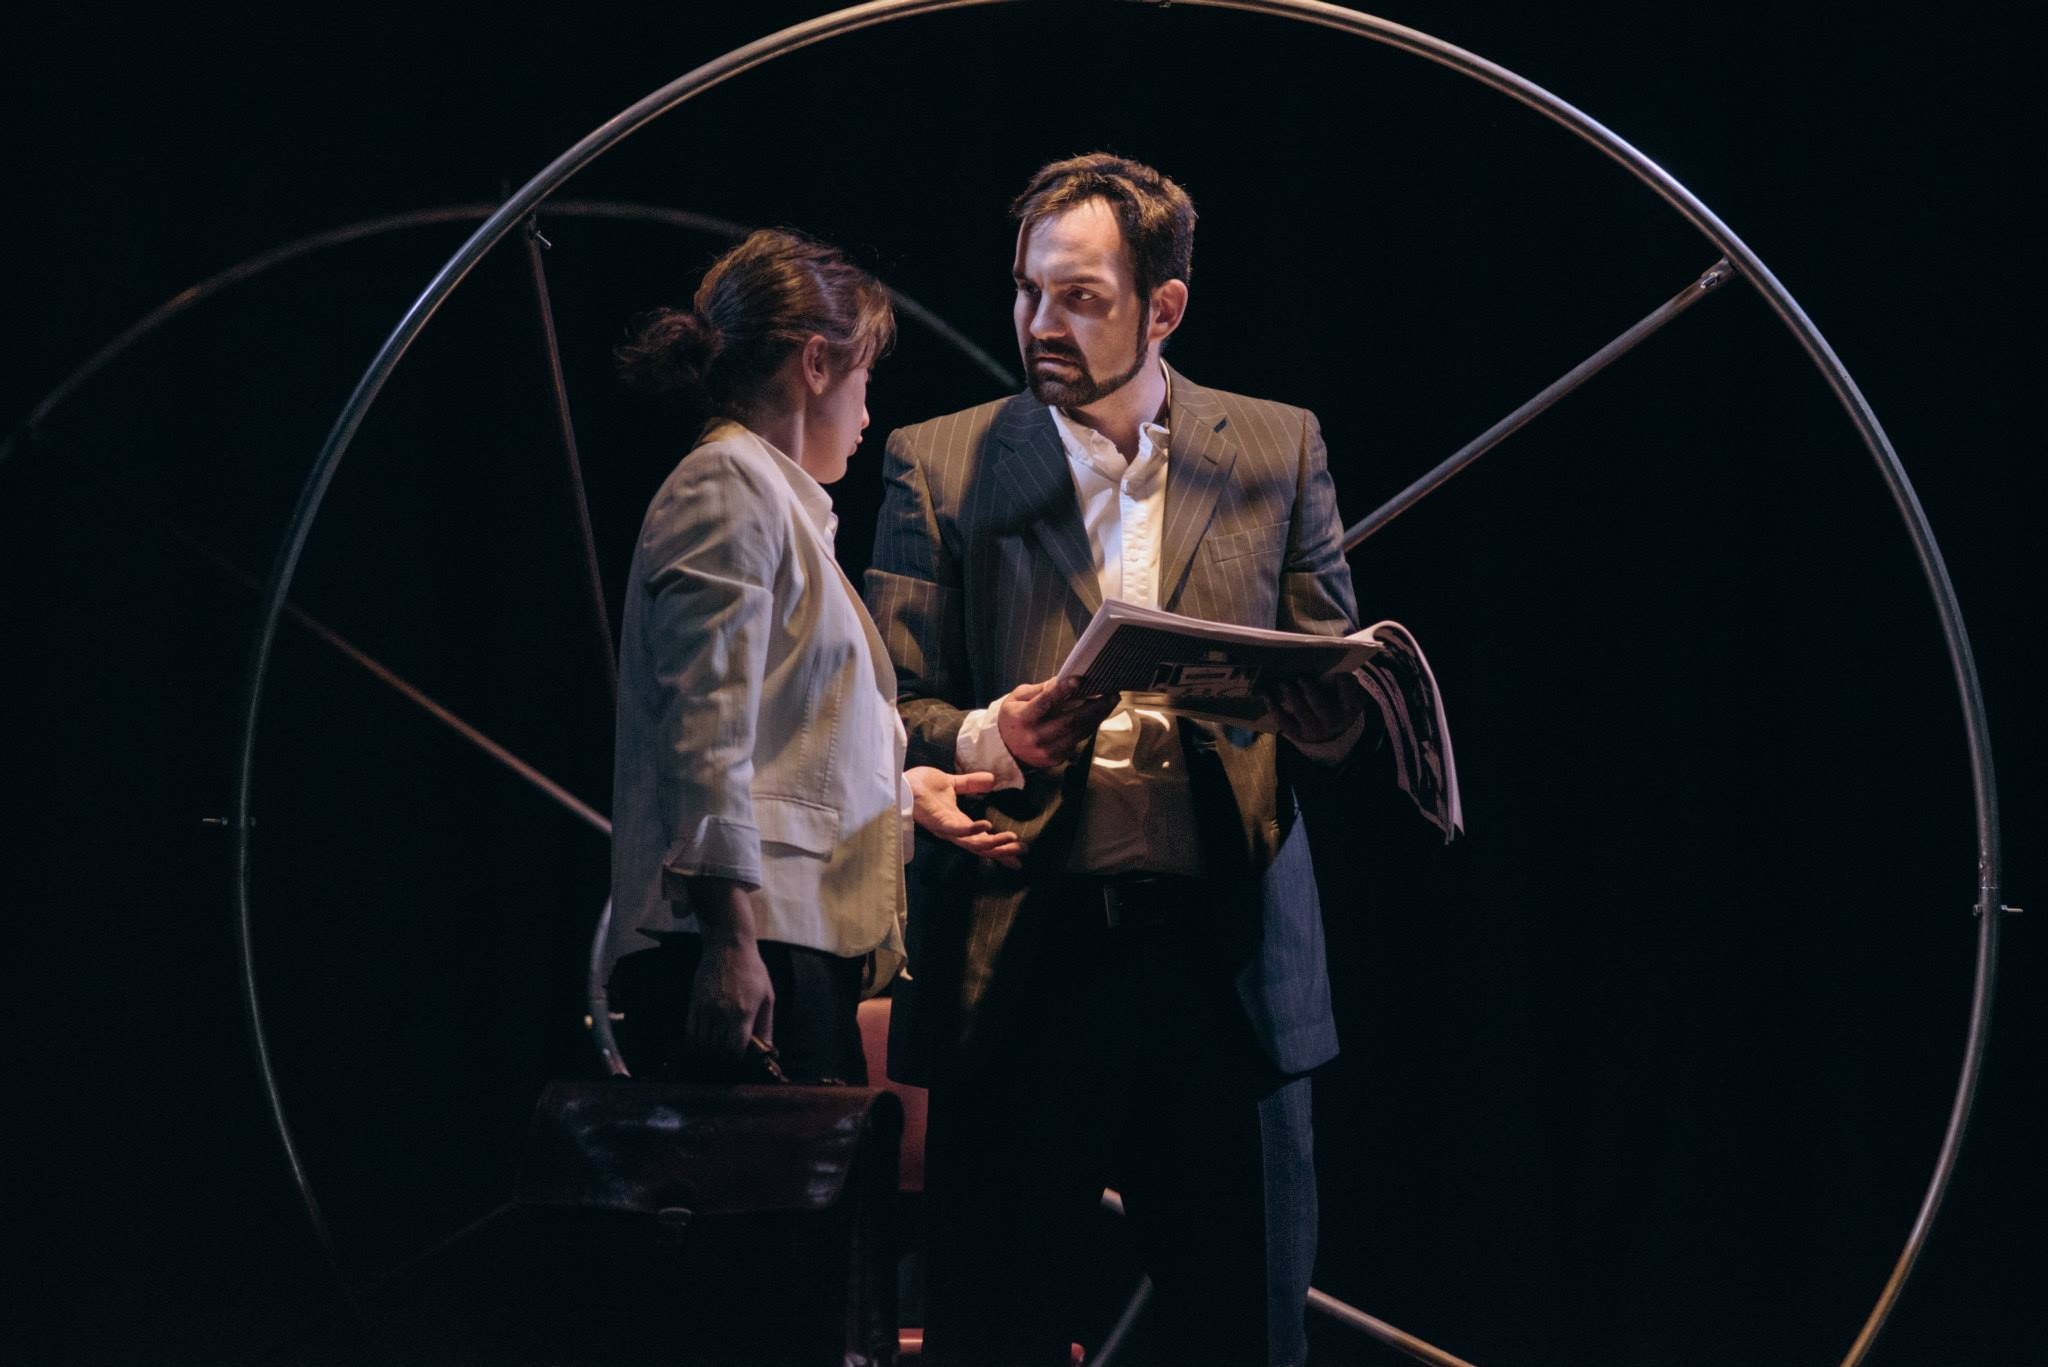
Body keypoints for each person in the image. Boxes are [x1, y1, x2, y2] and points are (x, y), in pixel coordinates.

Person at [866, 154, 1378, 1365]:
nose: (1041, 323)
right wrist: (992, 727)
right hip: (1022, 957)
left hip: (1223, 962)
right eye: (1026, 291)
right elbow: (892, 705)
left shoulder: (1271, 446)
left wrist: (1332, 718)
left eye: (1080, 297)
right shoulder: (938, 461)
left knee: (1241, 1324)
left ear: (1164, 308)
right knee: (997, 1320)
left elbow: (1329, 671)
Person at [605, 228, 1020, 1085]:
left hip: (792, 941)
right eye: (865, 378)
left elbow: (784, 744)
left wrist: (903, 797)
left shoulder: (777, 503)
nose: (870, 415)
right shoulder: (726, 486)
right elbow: (706, 732)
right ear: (817, 364)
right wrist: (730, 937)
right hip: (753, 944)